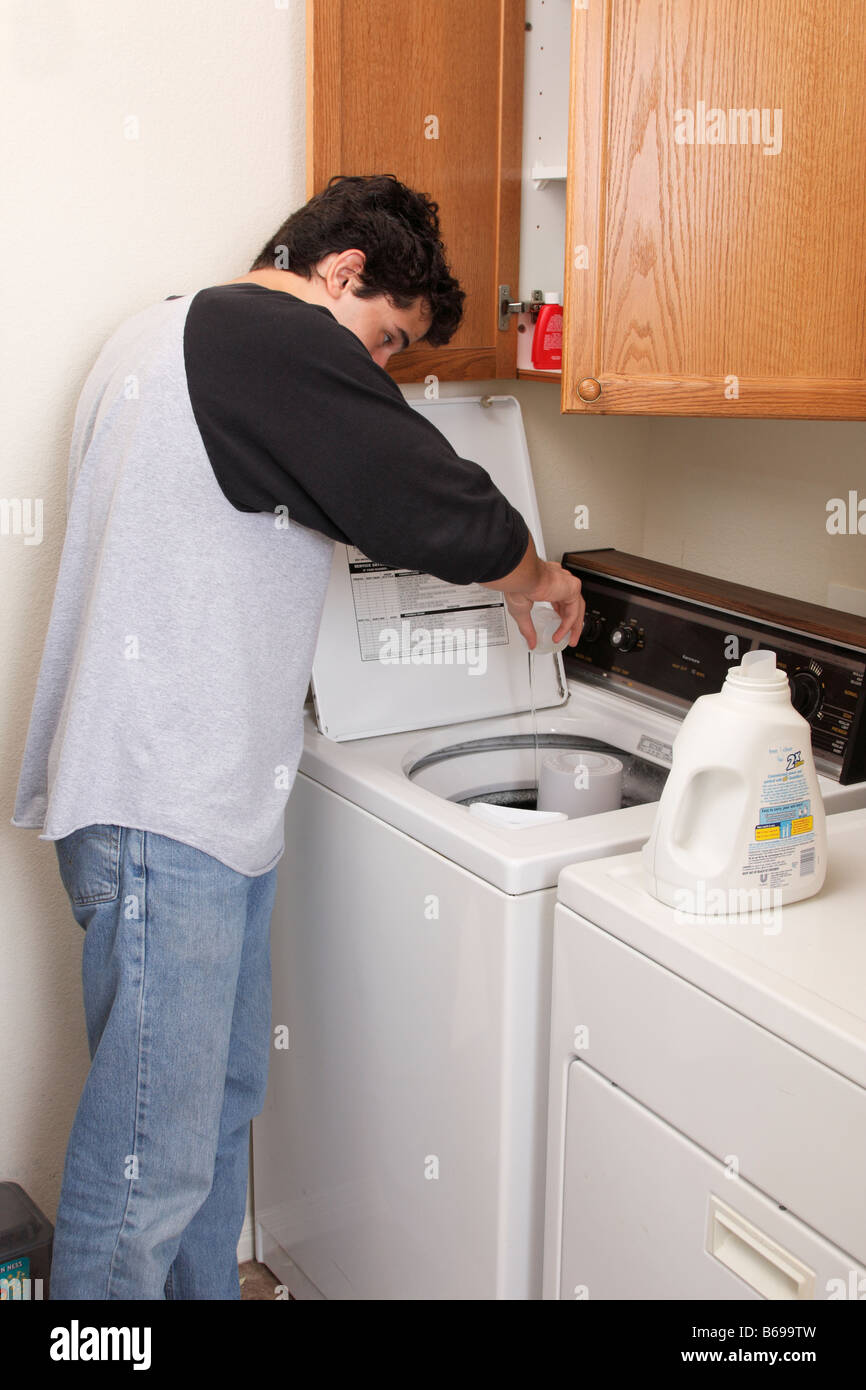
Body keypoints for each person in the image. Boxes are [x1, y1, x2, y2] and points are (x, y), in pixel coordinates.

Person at [12, 174, 585, 1300]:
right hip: (164, 806)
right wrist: (533, 572)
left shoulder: (165, 332)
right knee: (147, 1168)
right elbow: (425, 496)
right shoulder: (262, 337)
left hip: (183, 807)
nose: (377, 371)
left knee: (211, 1114)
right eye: (383, 339)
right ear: (338, 273)